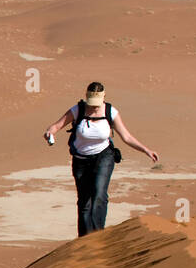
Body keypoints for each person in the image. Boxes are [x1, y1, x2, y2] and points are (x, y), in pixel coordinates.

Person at [42, 82, 159, 237]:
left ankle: (97, 236)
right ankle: (84, 239)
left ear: (104, 97)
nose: (94, 107)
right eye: (91, 103)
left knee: (99, 193)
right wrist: (50, 133)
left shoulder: (111, 112)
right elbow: (55, 127)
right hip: (80, 160)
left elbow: (127, 136)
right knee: (84, 201)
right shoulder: (78, 110)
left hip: (104, 157)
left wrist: (146, 150)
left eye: (96, 104)